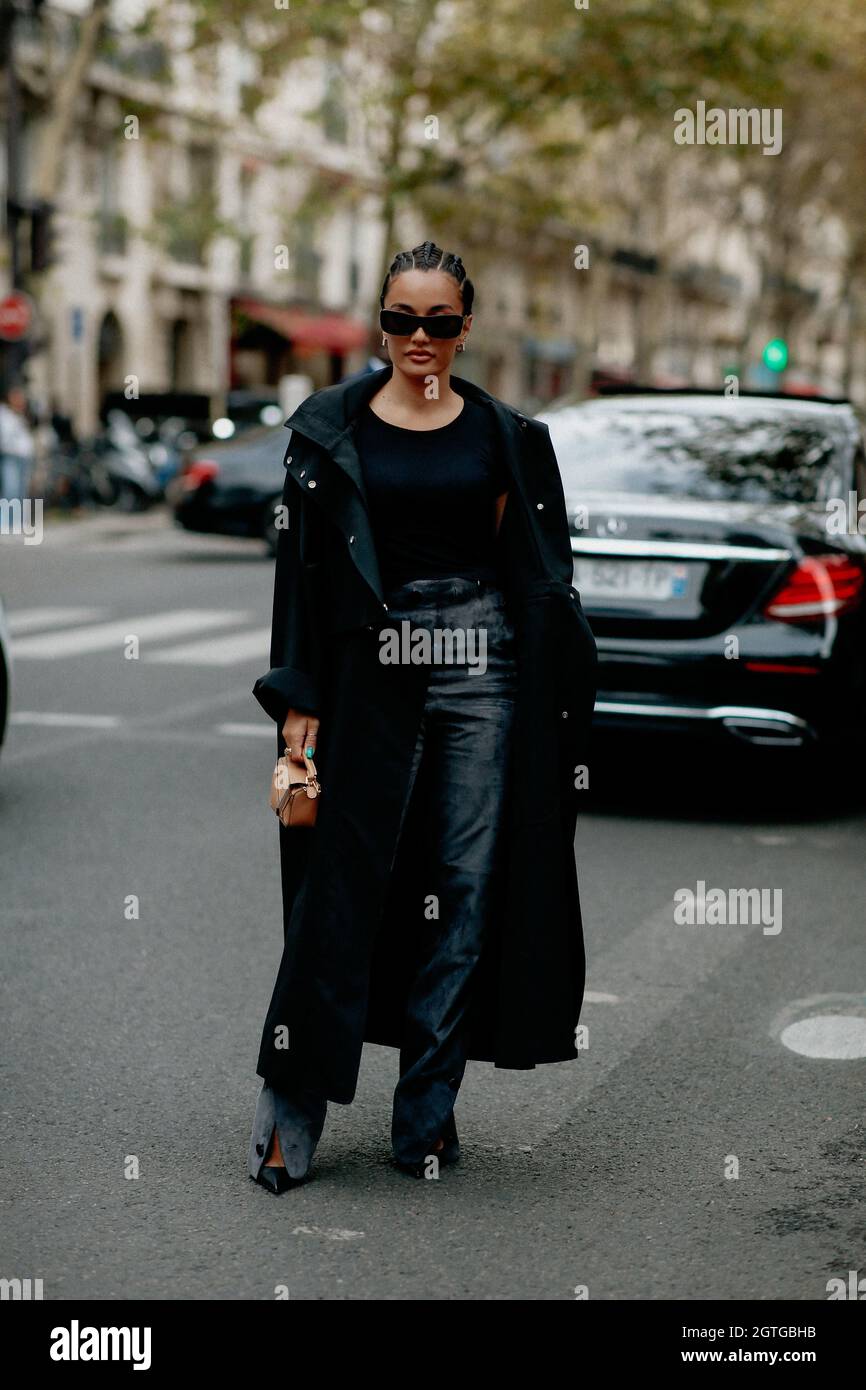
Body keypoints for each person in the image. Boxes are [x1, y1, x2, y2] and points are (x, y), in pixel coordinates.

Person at [247, 239, 598, 1192]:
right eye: (403, 319)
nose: (421, 339)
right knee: (340, 889)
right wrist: (298, 705)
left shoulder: (506, 437)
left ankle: (427, 1119)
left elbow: (536, 574)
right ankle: (291, 1115)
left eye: (440, 323)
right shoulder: (329, 430)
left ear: (465, 328)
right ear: (381, 320)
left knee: (467, 888)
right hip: (375, 661)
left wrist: (557, 692)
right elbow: (303, 583)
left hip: (480, 659)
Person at [0, 384, 36, 504]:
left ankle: (17, 521)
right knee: (10, 492)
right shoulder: (4, 414)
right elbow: (6, 436)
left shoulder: (23, 415)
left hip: (24, 457)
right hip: (10, 457)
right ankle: (6, 521)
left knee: (21, 493)